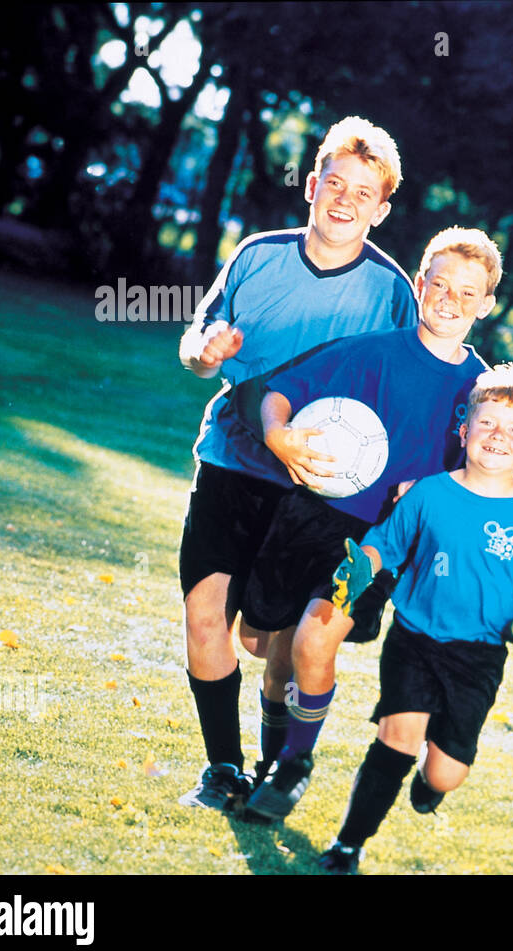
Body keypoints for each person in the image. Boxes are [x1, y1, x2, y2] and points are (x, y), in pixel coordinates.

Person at [175, 116, 414, 811]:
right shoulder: (257, 255)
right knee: (204, 613)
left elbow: (399, 387)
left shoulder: (392, 291)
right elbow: (196, 342)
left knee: (274, 644)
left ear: (381, 208)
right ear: (312, 184)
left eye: (362, 192)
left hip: (317, 489)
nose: (344, 200)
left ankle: (277, 762)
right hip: (232, 461)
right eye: (334, 182)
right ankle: (223, 768)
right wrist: (207, 351)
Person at [239, 227, 503, 821]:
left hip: (381, 541)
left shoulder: (482, 389)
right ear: (419, 285)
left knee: (314, 636)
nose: (451, 301)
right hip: (308, 515)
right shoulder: (374, 350)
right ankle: (271, 758)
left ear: (486, 304)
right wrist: (280, 435)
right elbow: (281, 392)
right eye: (440, 285)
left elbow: (488, 475)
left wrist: (433, 492)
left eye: (468, 293)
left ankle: (294, 766)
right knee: (268, 645)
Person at [305, 365, 513, 873]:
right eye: (488, 424)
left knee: (448, 773)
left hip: (478, 654)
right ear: (464, 431)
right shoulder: (429, 493)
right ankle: (348, 844)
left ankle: (432, 783)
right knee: (396, 738)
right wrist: (360, 566)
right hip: (414, 636)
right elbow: (385, 544)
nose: (498, 437)